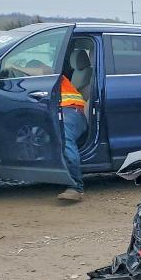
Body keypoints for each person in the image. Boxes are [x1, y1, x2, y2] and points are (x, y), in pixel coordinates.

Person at [57, 74, 86, 202]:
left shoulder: (56, 75)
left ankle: (75, 187)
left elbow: (43, 69)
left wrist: (14, 67)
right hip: (58, 110)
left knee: (63, 134)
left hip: (71, 110)